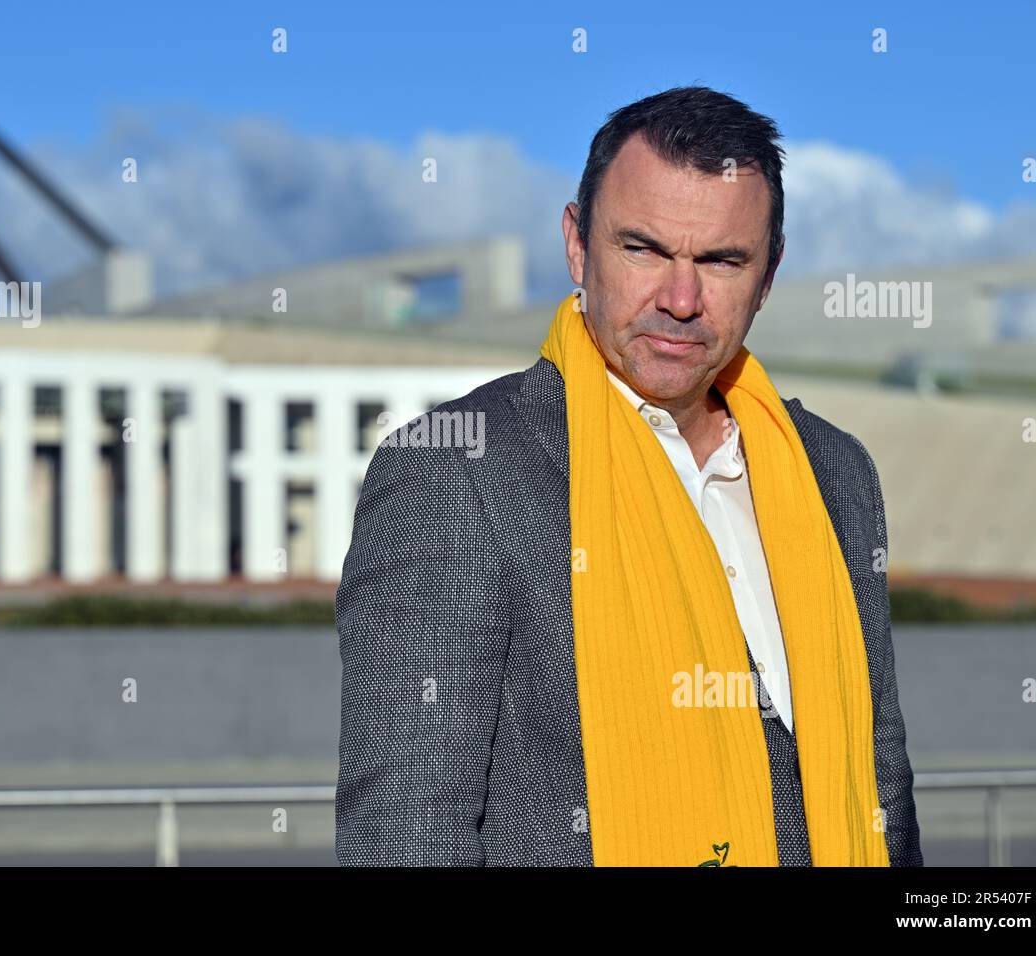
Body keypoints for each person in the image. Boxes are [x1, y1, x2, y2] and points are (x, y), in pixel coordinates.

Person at [335, 86, 922, 866]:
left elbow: (882, 785)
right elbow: (406, 840)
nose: (680, 300)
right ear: (578, 246)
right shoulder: (454, 474)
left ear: (769, 273)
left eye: (721, 260)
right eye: (642, 248)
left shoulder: (834, 472)